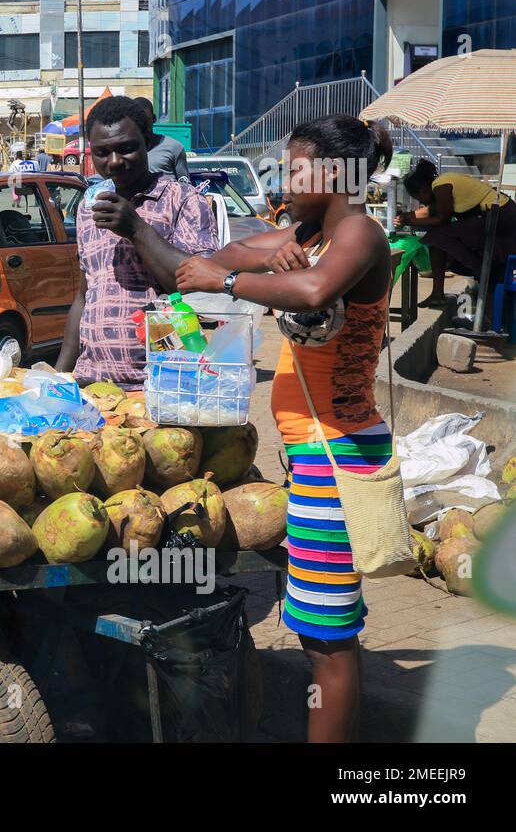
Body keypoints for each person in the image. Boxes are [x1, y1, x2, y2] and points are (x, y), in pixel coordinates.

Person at [176, 115, 395, 743]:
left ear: (332, 173)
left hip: (339, 453)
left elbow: (313, 288)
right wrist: (227, 264)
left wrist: (229, 282)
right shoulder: (310, 231)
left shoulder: (359, 233)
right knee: (321, 631)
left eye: (294, 168)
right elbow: (231, 253)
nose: (284, 179)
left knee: (328, 642)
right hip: (315, 453)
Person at [54, 95, 219, 389]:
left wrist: (137, 230)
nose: (114, 162)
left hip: (161, 385)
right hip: (93, 386)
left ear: (148, 142)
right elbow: (84, 295)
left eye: (126, 149)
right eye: (102, 152)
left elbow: (200, 290)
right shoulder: (89, 207)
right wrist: (59, 377)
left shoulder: (182, 201)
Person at [397, 159, 516, 309]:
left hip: (502, 217)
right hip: (498, 217)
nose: (421, 202)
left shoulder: (441, 185)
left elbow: (442, 218)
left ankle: (477, 269)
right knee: (438, 241)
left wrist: (410, 221)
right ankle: (438, 293)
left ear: (423, 191)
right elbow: (430, 211)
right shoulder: (440, 186)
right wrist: (407, 216)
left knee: (437, 236)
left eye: (418, 198)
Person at [135, 97, 189, 182]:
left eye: (146, 120)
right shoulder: (123, 153)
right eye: (137, 121)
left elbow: (185, 186)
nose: (142, 125)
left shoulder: (174, 147)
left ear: (154, 118)